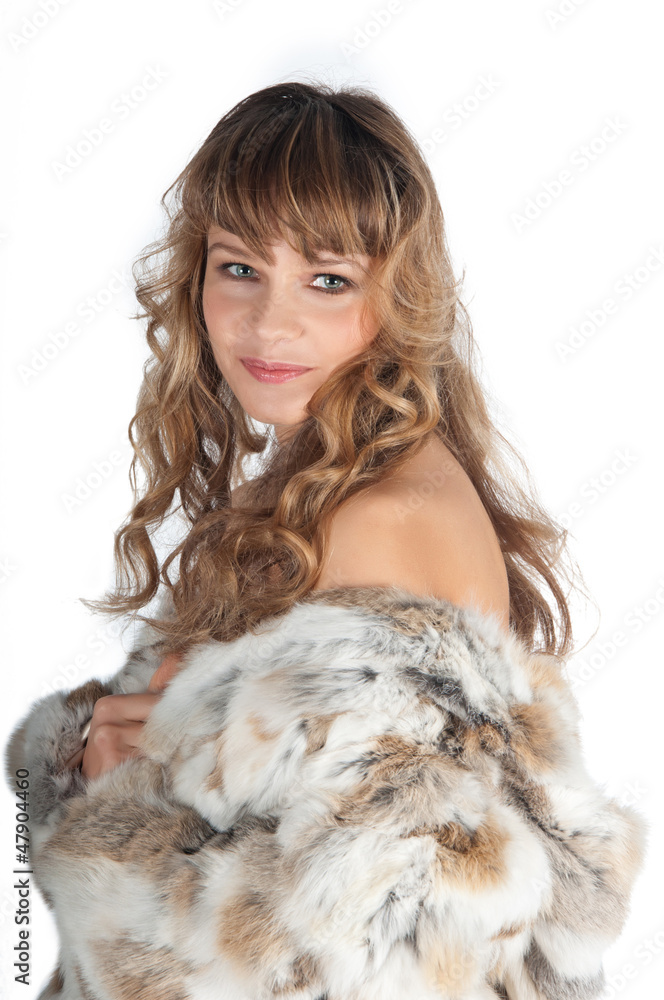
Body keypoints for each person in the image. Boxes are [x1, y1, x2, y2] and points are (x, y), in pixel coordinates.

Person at [5, 80, 646, 1000]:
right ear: (195, 277)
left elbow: (382, 958)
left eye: (328, 280)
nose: (271, 323)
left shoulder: (375, 519)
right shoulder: (326, 488)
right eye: (239, 268)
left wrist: (115, 820)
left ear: (397, 298)